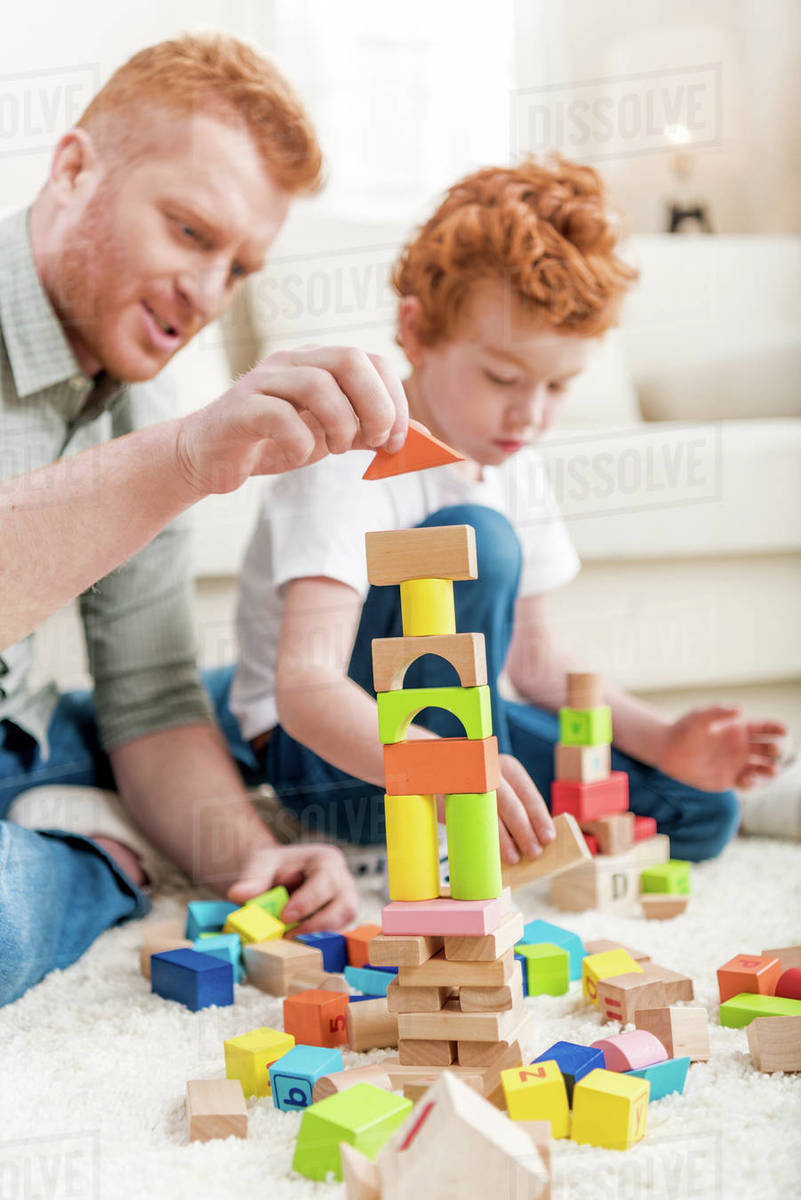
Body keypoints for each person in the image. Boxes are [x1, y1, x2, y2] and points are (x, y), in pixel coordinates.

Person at [0, 33, 409, 1007]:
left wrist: (254, 861)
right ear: (72, 171)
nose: (209, 295)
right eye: (190, 231)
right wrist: (185, 461)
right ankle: (97, 859)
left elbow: (149, 697)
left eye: (238, 267)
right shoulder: (167, 441)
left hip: (27, 728)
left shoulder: (137, 400)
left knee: (271, 700)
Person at [231, 159, 786, 866]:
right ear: (417, 332)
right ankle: (449, 797)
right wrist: (451, 768)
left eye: (559, 385)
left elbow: (537, 661)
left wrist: (663, 739)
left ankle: (498, 797)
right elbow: (306, 690)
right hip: (324, 760)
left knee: (702, 811)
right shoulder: (347, 459)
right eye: (502, 377)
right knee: (478, 540)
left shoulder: (510, 458)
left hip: (460, 722)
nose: (529, 413)